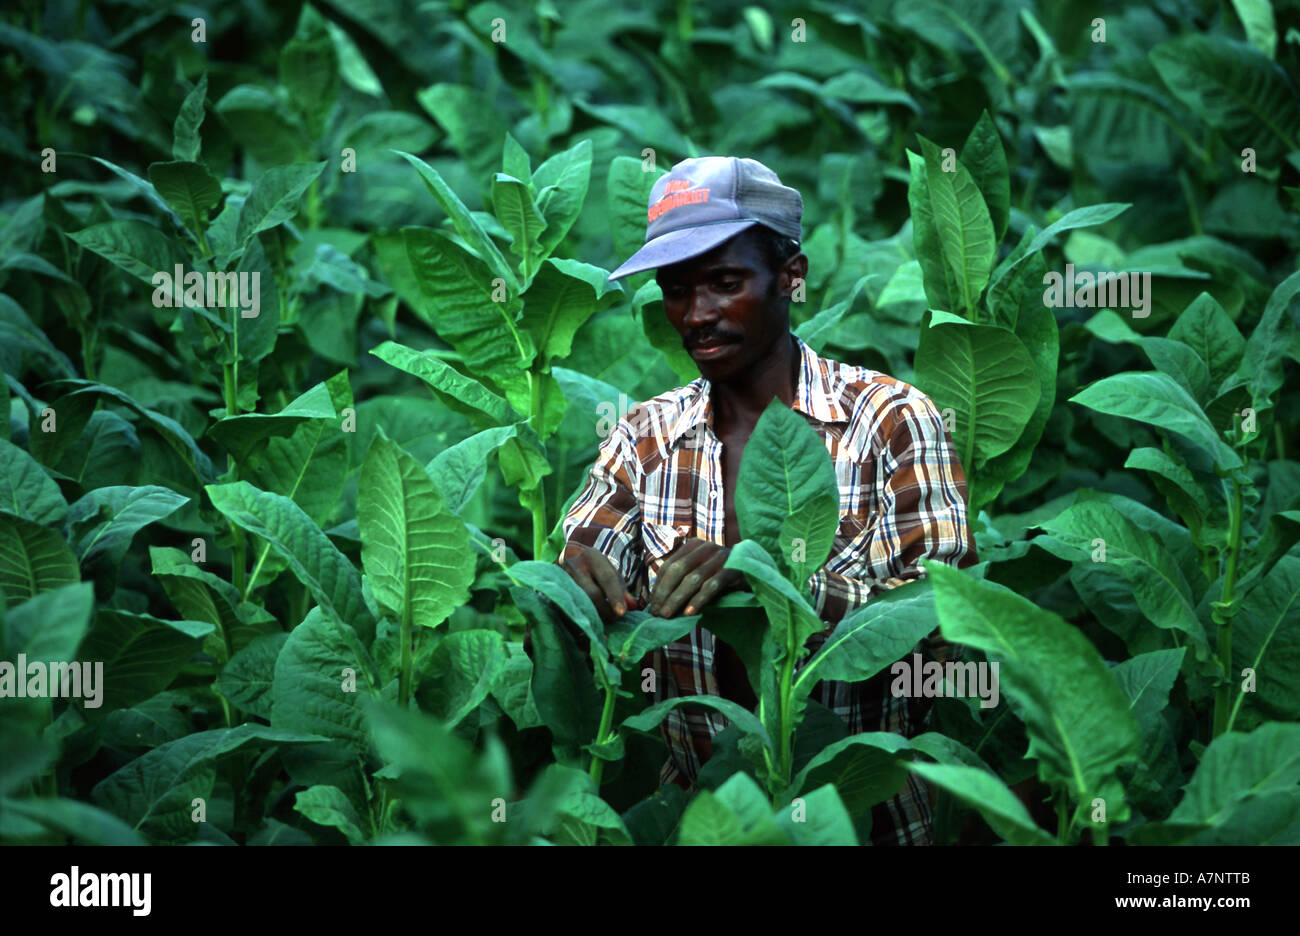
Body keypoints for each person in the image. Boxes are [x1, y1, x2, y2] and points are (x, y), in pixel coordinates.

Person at [557, 155, 978, 845]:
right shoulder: (644, 436)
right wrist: (571, 588)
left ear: (792, 276)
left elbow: (948, 630)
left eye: (726, 283)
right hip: (703, 822)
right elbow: (581, 589)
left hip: (864, 823)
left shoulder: (891, 420)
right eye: (676, 288)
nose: (696, 315)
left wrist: (769, 579)